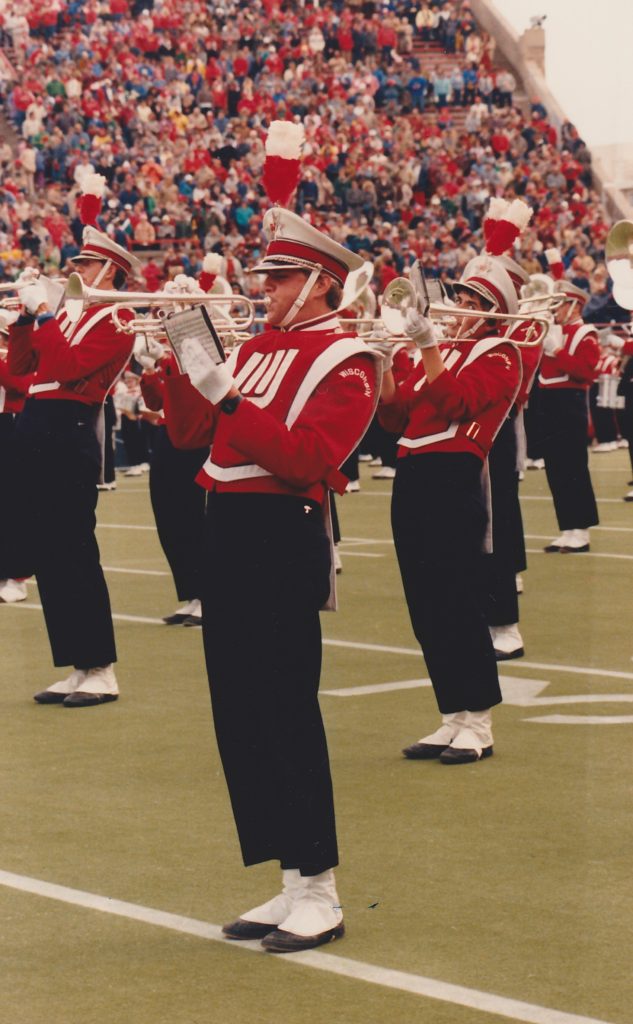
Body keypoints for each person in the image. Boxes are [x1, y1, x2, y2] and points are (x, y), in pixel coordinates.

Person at [161, 208, 380, 953]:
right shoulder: (257, 346)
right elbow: (191, 435)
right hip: (223, 526)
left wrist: (226, 395)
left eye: (279, 277)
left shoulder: (349, 358)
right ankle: (290, 881)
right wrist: (182, 361)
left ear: (319, 283)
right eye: (264, 274)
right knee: (240, 711)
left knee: (284, 707)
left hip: (281, 536)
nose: (265, 288)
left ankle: (320, 886)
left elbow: (307, 459)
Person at [376, 259, 522, 765]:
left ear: (491, 313)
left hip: (455, 479)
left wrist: (426, 346)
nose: (457, 309)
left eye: (470, 303)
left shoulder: (500, 352)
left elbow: (457, 403)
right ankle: (452, 715)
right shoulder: (433, 352)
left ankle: (479, 722)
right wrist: (382, 364)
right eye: (459, 300)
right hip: (412, 474)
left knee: (458, 600)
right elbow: (397, 416)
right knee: (424, 603)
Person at [6, 227, 141, 706]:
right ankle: (77, 664)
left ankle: (101, 667)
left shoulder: (120, 318)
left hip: (70, 430)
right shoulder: (65, 313)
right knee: (48, 553)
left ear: (109, 271)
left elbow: (65, 367)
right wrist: (24, 317)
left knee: (75, 551)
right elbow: (21, 368)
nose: (72, 270)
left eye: (84, 264)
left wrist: (44, 315)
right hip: (38, 428)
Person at [537, 278, 600, 552]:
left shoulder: (587, 333)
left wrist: (558, 351)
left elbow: (586, 373)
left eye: (559, 304)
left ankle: (581, 532)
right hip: (549, 402)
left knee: (574, 468)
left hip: (570, 402)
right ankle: (567, 528)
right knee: (555, 469)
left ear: (574, 306)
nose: (555, 309)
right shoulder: (552, 330)